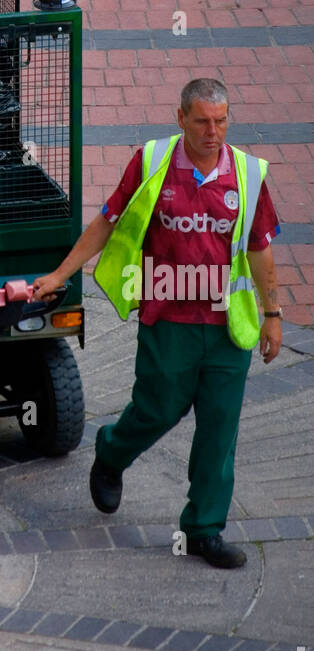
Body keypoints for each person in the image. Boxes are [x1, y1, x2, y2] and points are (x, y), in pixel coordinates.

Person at [33, 77, 281, 569]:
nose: (213, 132)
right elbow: (108, 218)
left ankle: (203, 530)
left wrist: (272, 316)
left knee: (218, 428)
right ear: (181, 118)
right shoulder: (151, 163)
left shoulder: (248, 175)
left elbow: (259, 249)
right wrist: (63, 273)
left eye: (221, 121)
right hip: (168, 319)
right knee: (158, 408)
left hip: (228, 327)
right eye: (202, 121)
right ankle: (111, 452)